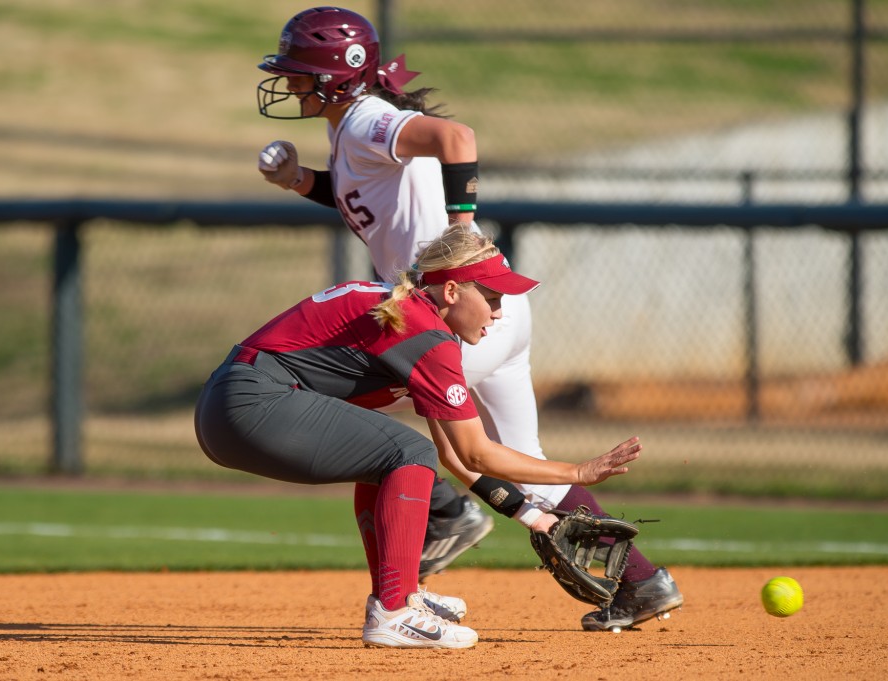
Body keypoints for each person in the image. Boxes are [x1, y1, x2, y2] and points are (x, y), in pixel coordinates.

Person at [254, 6, 683, 631]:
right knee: (518, 458)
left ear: (336, 77)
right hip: (492, 311)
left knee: (372, 427)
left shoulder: (371, 117)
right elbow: (364, 194)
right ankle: (643, 583)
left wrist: (461, 227)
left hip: (452, 315)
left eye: (300, 72)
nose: (290, 82)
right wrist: (298, 180)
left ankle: (447, 517)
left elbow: (457, 140)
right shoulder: (354, 127)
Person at [194, 224, 644, 648]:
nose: (499, 311)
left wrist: (533, 516)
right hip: (253, 401)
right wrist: (577, 471)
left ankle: (399, 596)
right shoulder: (423, 332)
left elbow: (454, 455)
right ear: (451, 290)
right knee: (406, 451)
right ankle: (393, 612)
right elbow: (477, 451)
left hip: (233, 402)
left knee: (388, 460)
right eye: (491, 296)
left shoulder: (413, 315)